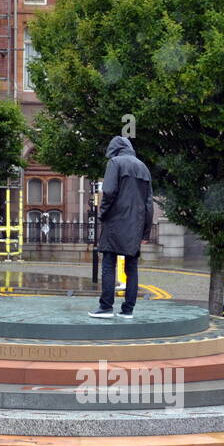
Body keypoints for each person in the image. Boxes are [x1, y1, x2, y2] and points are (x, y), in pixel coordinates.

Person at [90, 135, 154, 319]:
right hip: (136, 226)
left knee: (109, 263)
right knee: (131, 267)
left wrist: (102, 213)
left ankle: (105, 307)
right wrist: (146, 231)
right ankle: (128, 310)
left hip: (115, 222)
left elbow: (108, 192)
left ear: (114, 149)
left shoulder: (115, 163)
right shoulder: (144, 167)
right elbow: (148, 204)